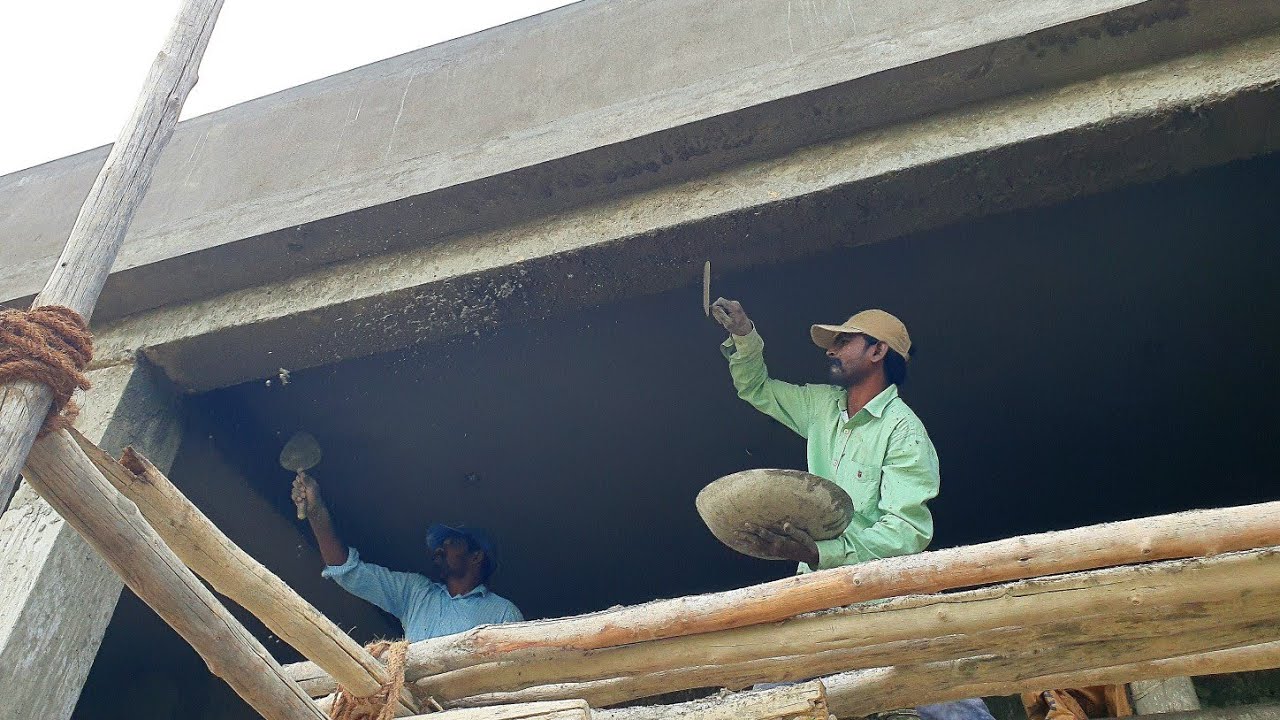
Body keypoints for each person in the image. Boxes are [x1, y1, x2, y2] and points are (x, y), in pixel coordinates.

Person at [711, 298, 994, 720]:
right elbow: (758, 389)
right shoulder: (822, 407)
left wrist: (819, 553)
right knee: (765, 703)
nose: (831, 350)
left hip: (882, 600)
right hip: (816, 596)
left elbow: (905, 533)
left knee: (953, 706)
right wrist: (744, 335)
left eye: (844, 341)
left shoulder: (904, 431)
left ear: (878, 351)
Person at [292, 473, 522, 642]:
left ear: (476, 556)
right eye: (440, 544)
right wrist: (316, 512)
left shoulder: (503, 613)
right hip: (417, 708)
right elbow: (347, 571)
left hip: (474, 709)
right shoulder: (415, 593)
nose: (441, 549)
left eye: (452, 542)